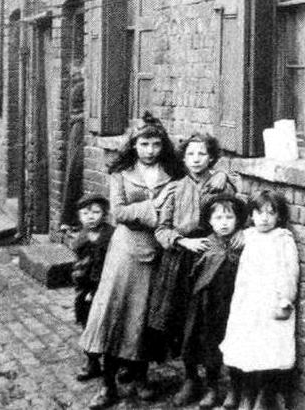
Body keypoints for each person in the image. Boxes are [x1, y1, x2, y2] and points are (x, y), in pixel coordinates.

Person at [79, 112, 185, 410]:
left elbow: (177, 211)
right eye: (144, 144)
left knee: (145, 318)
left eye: (155, 144)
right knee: (116, 314)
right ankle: (108, 385)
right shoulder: (121, 174)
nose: (150, 150)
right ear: (134, 145)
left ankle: (140, 377)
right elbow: (119, 213)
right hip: (126, 253)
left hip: (157, 251)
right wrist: (153, 206)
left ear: (163, 146)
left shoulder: (173, 174)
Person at [148, 133, 235, 367]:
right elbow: (162, 229)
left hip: (211, 259)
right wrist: (182, 241)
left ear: (211, 158)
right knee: (183, 319)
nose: (196, 159)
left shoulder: (221, 184)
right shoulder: (175, 188)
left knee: (209, 319)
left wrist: (224, 175)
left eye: (202, 154)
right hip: (181, 259)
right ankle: (190, 377)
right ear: (184, 159)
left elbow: (233, 217)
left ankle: (213, 381)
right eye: (190, 154)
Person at [220, 190, 299, 410]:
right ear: (251, 215)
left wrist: (285, 299)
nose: (264, 218)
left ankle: (264, 395)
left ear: (279, 217)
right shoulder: (248, 236)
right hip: (247, 302)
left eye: (270, 213)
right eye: (259, 212)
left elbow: (290, 273)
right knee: (245, 346)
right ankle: (244, 391)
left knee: (267, 349)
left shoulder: (283, 240)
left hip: (270, 303)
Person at [174, 194, 247, 409]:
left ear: (238, 220)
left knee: (235, 346)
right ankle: (212, 388)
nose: (224, 223)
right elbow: (193, 278)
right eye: (218, 218)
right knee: (208, 346)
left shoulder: (242, 243)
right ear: (209, 220)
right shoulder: (205, 244)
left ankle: (235, 389)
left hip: (234, 306)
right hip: (207, 306)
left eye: (229, 217)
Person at [70, 193, 115, 383]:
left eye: (96, 212)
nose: (90, 216)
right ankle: (92, 361)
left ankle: (115, 363)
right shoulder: (80, 238)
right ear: (80, 216)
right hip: (85, 288)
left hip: (106, 286)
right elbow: (79, 266)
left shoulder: (111, 235)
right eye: (85, 213)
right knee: (87, 322)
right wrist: (83, 287)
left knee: (108, 323)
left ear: (104, 215)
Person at [60, 71, 86, 228]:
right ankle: (69, 218)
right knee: (75, 170)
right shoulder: (79, 88)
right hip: (79, 130)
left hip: (81, 128)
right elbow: (74, 114)